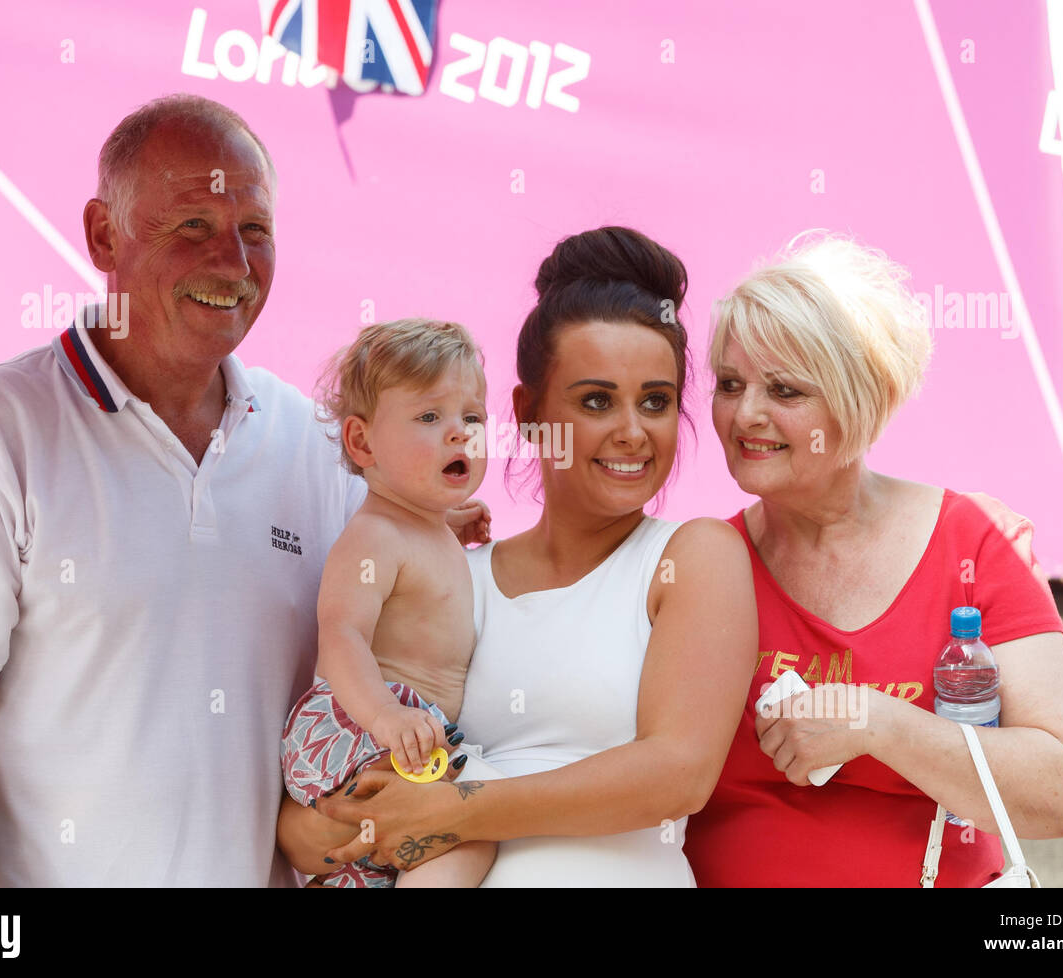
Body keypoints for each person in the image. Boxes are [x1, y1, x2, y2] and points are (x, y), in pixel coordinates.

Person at [0, 95, 488, 887]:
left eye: (255, 231)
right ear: (104, 234)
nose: (232, 262)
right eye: (194, 224)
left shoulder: (315, 444)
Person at [278, 226, 759, 886]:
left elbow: (677, 775)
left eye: (657, 401)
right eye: (596, 400)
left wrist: (456, 810)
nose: (632, 430)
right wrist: (328, 826)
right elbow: (308, 831)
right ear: (528, 413)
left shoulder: (691, 557)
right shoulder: (450, 577)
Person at [684, 232, 1063, 886]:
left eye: (785, 391)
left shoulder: (978, 544)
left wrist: (875, 723)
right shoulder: (704, 559)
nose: (746, 414)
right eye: (731, 384)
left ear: (860, 401)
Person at [280, 318, 499, 887]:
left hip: (396, 739)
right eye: (429, 417)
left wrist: (449, 524)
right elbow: (342, 633)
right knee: (470, 830)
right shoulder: (375, 537)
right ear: (362, 442)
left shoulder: (418, 526)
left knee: (384, 861)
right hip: (361, 727)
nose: (459, 433)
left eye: (470, 417)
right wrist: (384, 716)